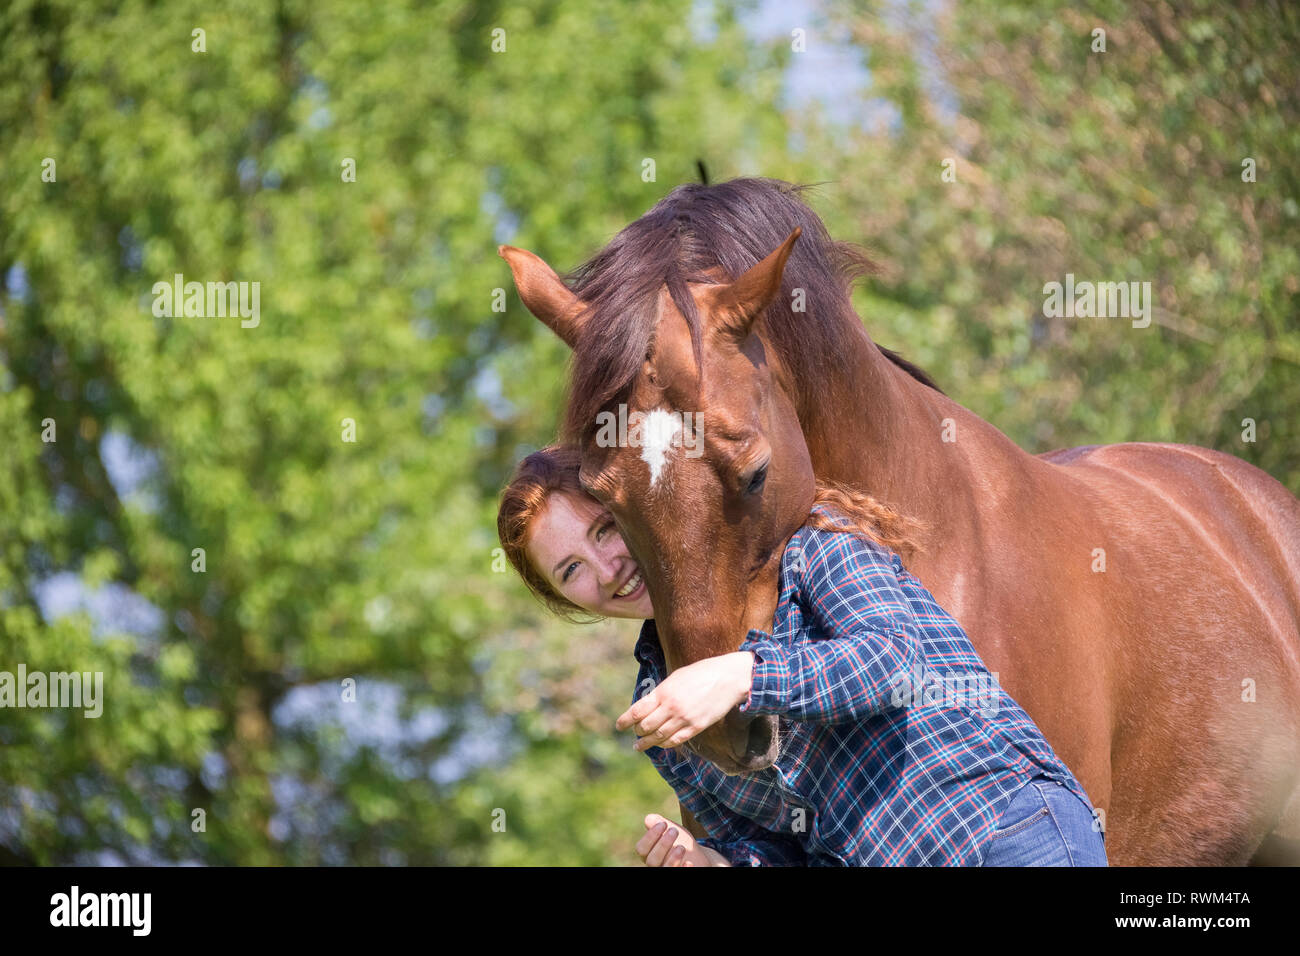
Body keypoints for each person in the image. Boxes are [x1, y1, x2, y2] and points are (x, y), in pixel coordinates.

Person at [497, 444, 1108, 867]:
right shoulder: (662, 711)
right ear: (564, 601)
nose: (607, 569)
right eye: (570, 569)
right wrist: (712, 860)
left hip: (998, 833)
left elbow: (896, 661)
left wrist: (743, 675)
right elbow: (780, 849)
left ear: (644, 507)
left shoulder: (805, 544)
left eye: (604, 530)